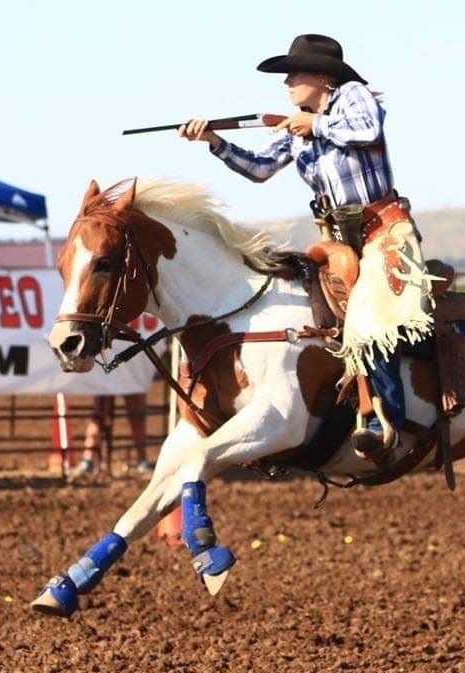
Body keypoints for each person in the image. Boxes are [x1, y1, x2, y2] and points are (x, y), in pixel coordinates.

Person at [179, 33, 439, 461]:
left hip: (383, 231)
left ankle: (385, 419)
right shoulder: (298, 123)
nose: (287, 84)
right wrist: (214, 142)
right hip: (336, 238)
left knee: (369, 316)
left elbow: (368, 128)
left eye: (293, 74)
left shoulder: (352, 97)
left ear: (321, 76)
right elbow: (260, 169)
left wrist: (314, 125)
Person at [69, 393, 152, 479]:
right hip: (108, 381)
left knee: (136, 415)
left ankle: (142, 459)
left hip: (128, 381)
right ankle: (87, 460)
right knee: (98, 415)